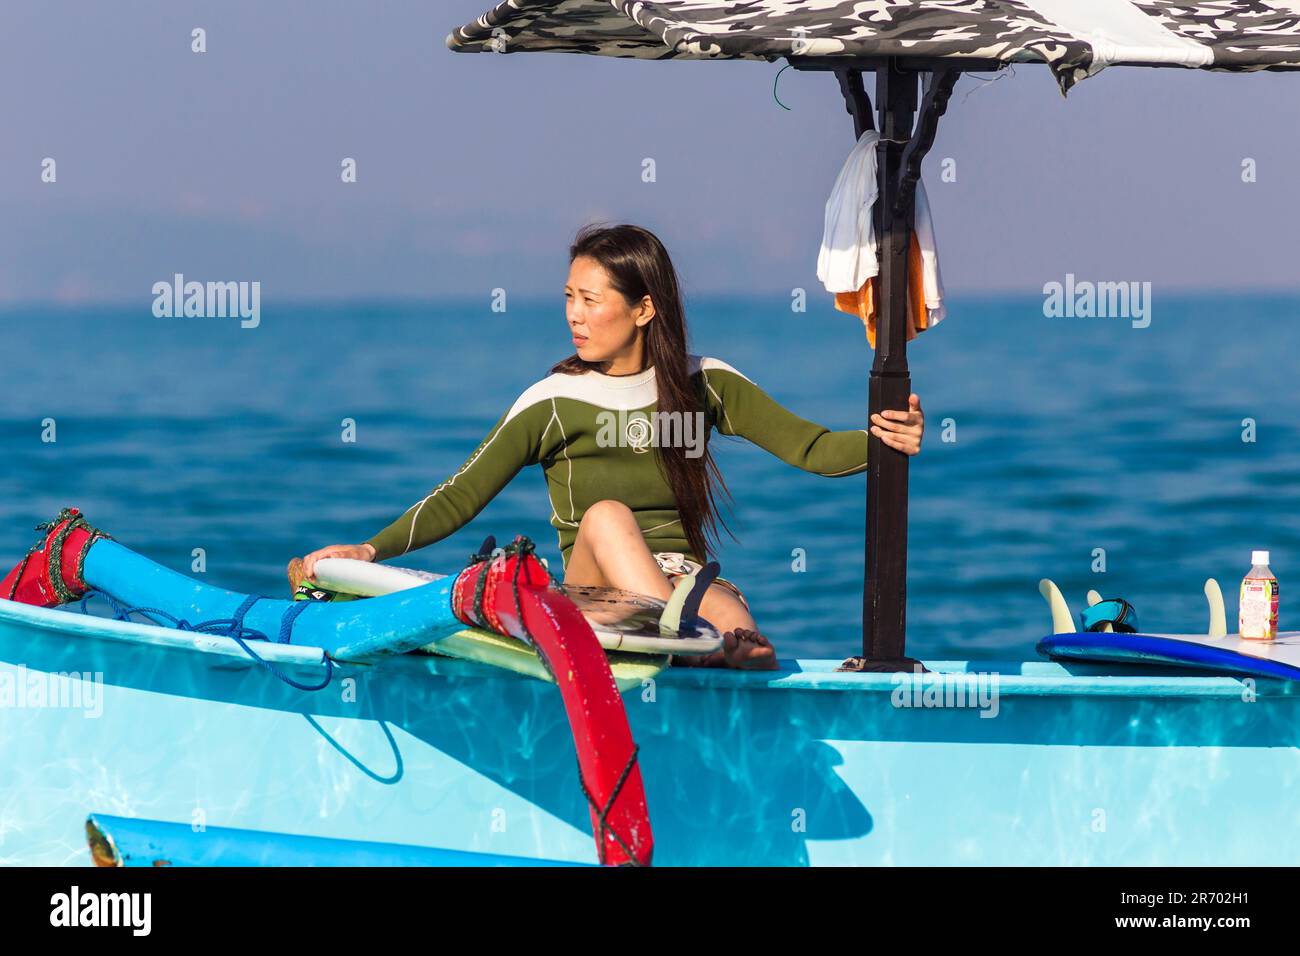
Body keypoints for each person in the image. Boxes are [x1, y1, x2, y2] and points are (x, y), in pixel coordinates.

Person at [301, 223, 925, 669]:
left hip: (682, 583)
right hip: (592, 591)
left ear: (644, 309)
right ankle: (685, 641)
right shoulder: (549, 400)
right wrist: (369, 548)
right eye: (569, 298)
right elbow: (459, 496)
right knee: (605, 517)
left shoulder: (702, 382)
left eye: (591, 300)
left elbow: (811, 447)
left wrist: (883, 440)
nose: (574, 315)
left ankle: (707, 653)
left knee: (745, 638)